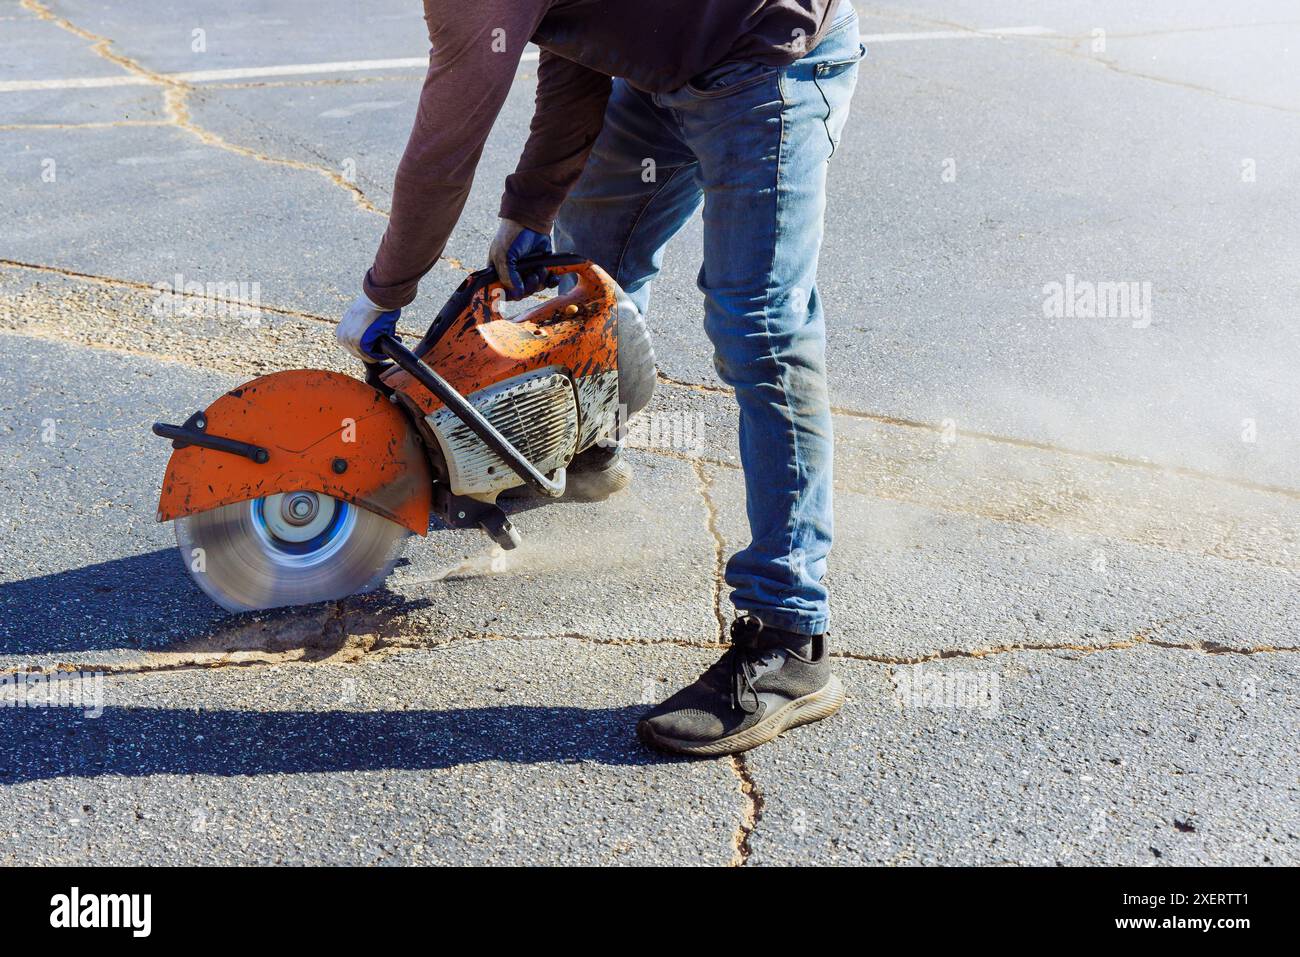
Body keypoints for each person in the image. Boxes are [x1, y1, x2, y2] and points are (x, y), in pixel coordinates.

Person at [336, 0, 863, 755]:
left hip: (767, 60)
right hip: (661, 69)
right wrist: (532, 205)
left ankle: (790, 636)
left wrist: (383, 294)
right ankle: (586, 451)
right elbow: (574, 41)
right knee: (590, 273)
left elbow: (445, 151)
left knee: (760, 328)